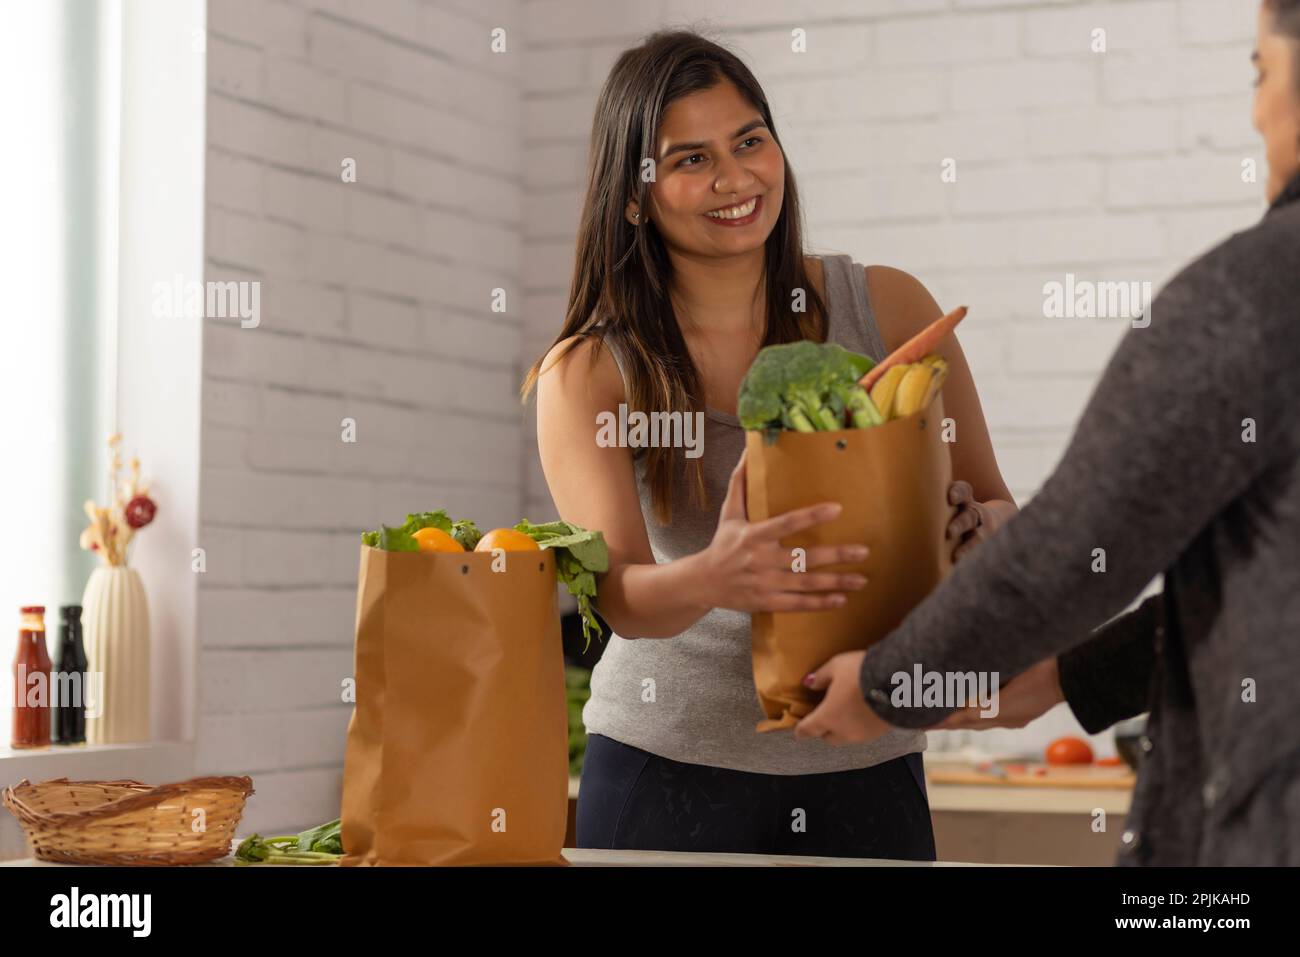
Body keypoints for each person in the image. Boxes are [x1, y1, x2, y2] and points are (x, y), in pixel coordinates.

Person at [797, 0, 1300, 866]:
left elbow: (1067, 553)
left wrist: (890, 685)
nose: (1255, 111)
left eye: (1261, 73)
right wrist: (1069, 675)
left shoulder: (1251, 295)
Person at [521, 30, 1014, 859]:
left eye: (749, 140)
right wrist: (715, 575)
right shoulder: (590, 372)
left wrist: (986, 531)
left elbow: (995, 498)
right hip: (666, 765)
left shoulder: (887, 309)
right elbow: (620, 594)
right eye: (690, 159)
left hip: (869, 754)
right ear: (635, 198)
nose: (734, 178)